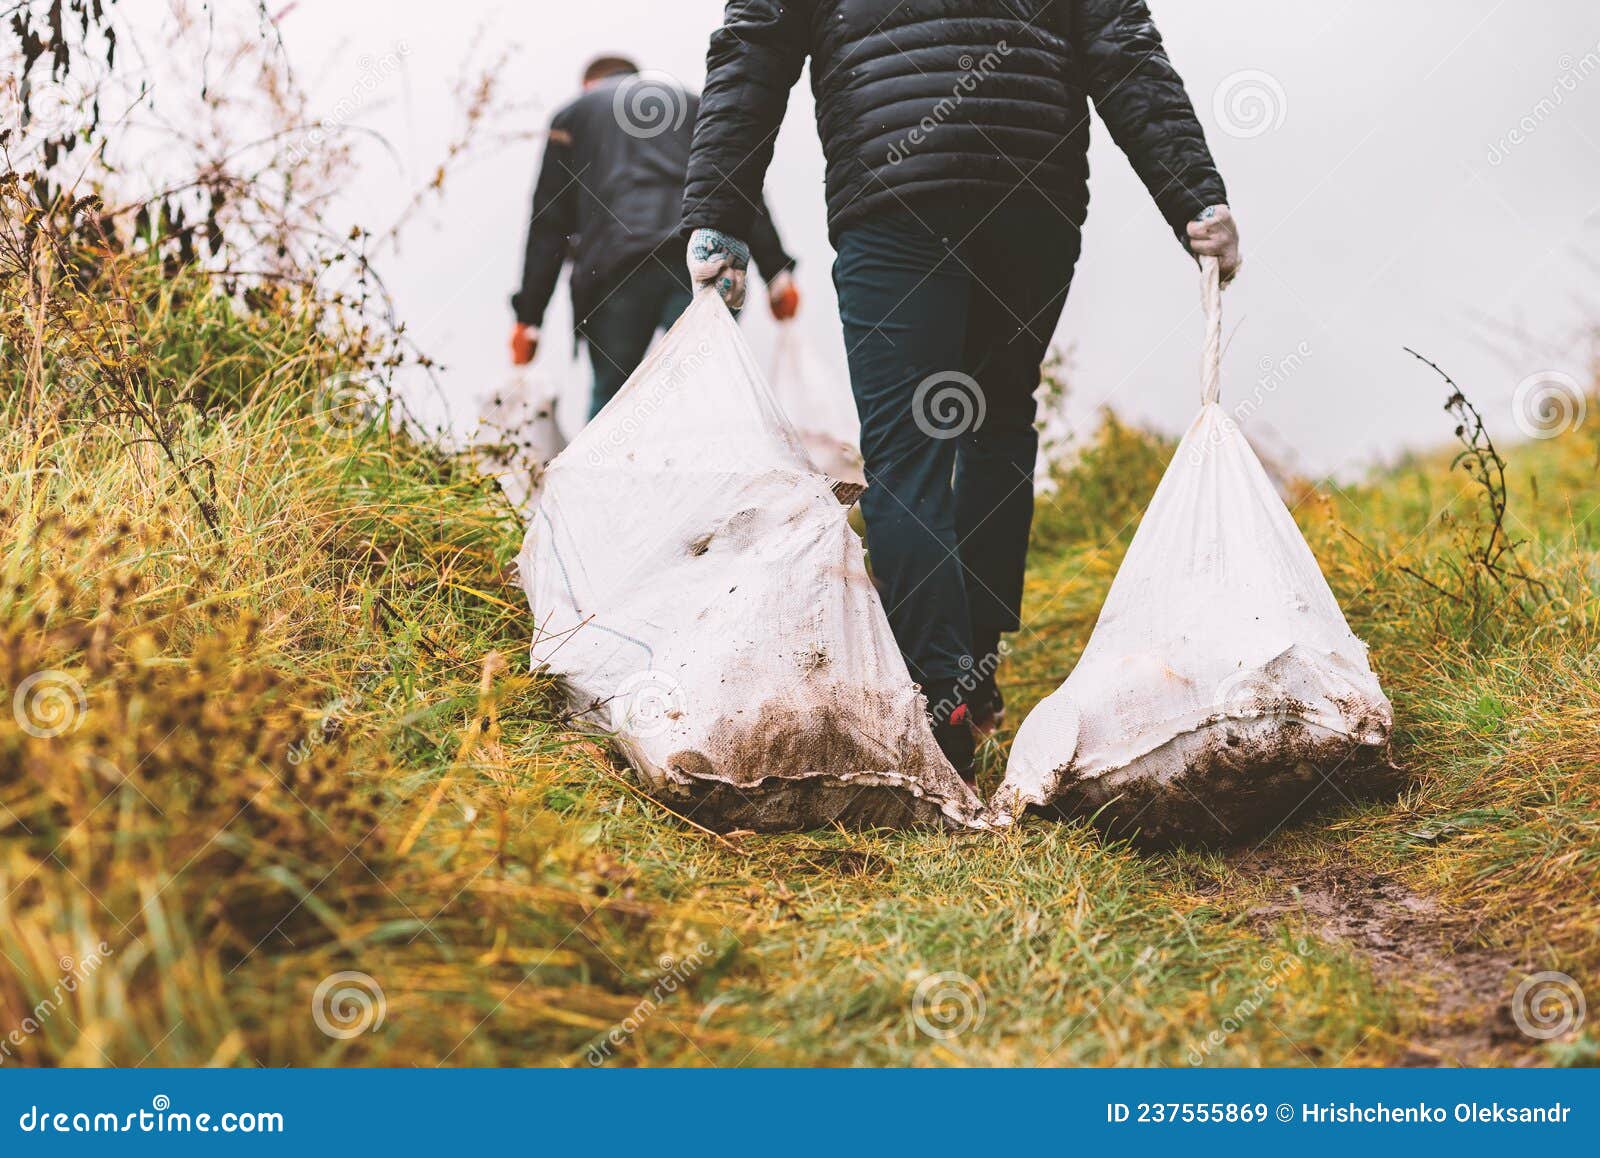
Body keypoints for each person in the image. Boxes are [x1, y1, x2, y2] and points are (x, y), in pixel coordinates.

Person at [681, 1, 1242, 781]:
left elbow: (756, 45)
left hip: (896, 188)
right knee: (998, 420)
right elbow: (1122, 44)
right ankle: (975, 665)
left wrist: (717, 213)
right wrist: (1195, 194)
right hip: (1032, 187)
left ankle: (942, 701)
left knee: (907, 451)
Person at [512, 55, 800, 420]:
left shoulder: (573, 115)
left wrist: (529, 318)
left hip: (613, 272)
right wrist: (777, 274)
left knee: (612, 407)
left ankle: (603, 475)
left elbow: (549, 224)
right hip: (697, 261)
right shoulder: (692, 104)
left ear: (588, 85)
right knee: (708, 395)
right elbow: (738, 186)